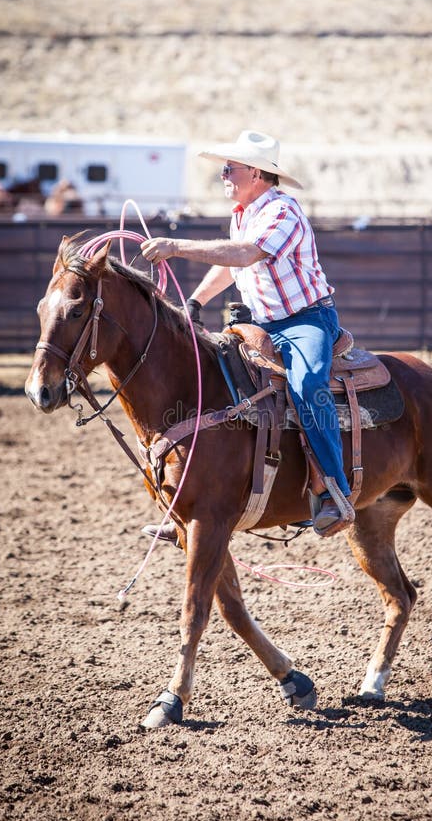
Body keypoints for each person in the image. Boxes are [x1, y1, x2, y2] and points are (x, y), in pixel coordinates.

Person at [141, 130, 354, 537]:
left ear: (255, 173)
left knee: (308, 384)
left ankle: (334, 490)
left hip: (305, 320)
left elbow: (242, 254)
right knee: (214, 378)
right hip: (262, 321)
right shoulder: (244, 213)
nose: (222, 175)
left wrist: (176, 246)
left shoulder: (282, 211)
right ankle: (196, 501)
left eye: (229, 168)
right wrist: (197, 302)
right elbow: (231, 264)